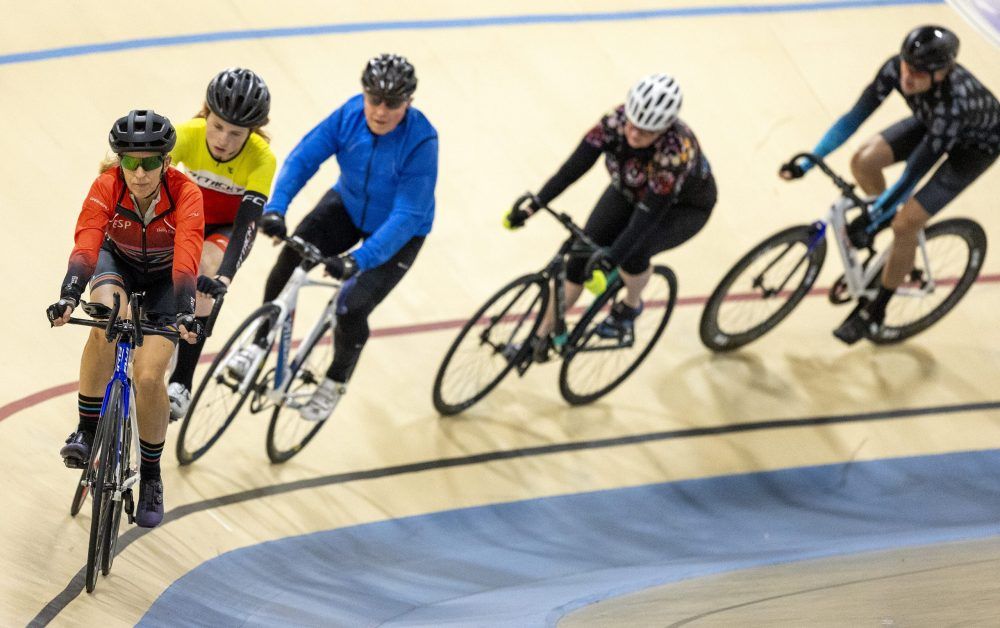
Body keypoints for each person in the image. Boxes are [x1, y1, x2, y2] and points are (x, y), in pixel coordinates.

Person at [227, 53, 438, 422]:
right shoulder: (350, 115)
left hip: (398, 232)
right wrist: (276, 208)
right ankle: (258, 341)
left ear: (409, 103)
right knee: (291, 255)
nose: (381, 111)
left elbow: (407, 215)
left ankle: (335, 380)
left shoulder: (421, 141)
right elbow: (303, 159)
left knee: (351, 307)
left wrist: (359, 260)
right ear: (364, 94)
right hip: (348, 206)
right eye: (374, 99)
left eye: (393, 103)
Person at [780, 25, 999, 344]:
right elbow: (853, 118)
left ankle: (874, 312)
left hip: (972, 149)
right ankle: (883, 220)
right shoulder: (897, 69)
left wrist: (880, 217)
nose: (907, 78)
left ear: (941, 74)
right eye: (907, 66)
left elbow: (914, 173)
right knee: (863, 161)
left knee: (905, 223)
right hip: (932, 123)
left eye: (919, 73)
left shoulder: (954, 105)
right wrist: (808, 162)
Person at [47, 110, 204, 528]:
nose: (139, 172)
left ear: (166, 162)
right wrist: (68, 294)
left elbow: (188, 255)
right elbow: (86, 243)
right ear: (119, 160)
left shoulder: (187, 194)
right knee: (105, 323)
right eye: (129, 161)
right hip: (118, 263)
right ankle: (85, 428)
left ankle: (151, 477)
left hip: (167, 280)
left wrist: (187, 309)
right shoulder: (106, 186)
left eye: (149, 162)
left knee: (150, 376)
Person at [504, 73, 716, 359]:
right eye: (632, 124)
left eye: (646, 131)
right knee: (578, 260)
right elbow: (572, 169)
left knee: (633, 254)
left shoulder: (674, 151)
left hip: (680, 209)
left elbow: (646, 219)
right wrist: (535, 205)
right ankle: (537, 340)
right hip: (628, 190)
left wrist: (609, 261)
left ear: (664, 129)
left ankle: (630, 307)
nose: (634, 134)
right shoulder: (614, 122)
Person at [165, 68, 277, 419]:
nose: (223, 140)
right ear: (205, 113)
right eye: (217, 126)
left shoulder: (262, 159)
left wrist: (224, 279)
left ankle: (182, 379)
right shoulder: (186, 133)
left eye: (235, 133)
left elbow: (246, 224)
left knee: (207, 271)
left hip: (226, 227)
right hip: (188, 216)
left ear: (253, 132)